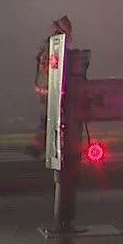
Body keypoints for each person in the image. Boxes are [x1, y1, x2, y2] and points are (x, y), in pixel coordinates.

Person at [26, 16, 73, 158]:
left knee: (48, 120)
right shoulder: (54, 47)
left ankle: (40, 147)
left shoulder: (48, 45)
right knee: (52, 120)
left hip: (46, 89)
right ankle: (42, 147)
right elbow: (53, 69)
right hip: (51, 91)